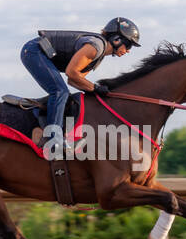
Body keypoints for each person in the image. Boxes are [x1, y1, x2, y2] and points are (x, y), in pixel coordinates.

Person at [20, 17, 141, 158]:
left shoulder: (98, 56)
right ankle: (54, 139)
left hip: (36, 52)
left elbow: (74, 81)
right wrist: (95, 87)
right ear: (117, 40)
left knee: (64, 93)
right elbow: (71, 73)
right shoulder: (96, 46)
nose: (128, 51)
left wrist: (95, 90)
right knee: (59, 91)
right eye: (128, 45)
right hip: (34, 51)